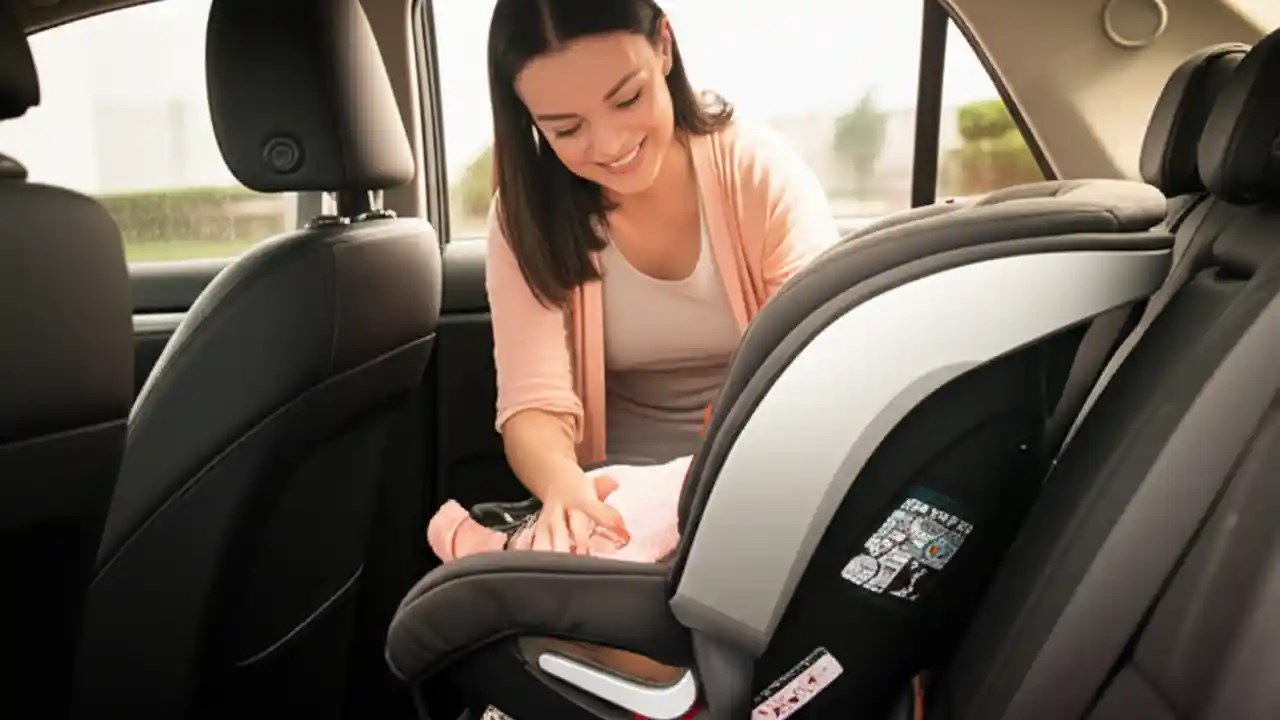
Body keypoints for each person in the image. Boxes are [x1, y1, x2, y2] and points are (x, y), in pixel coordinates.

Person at [484, 0, 840, 557]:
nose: (609, 144)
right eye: (566, 129)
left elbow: (818, 368)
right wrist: (566, 488)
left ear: (665, 48)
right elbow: (534, 406)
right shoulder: (525, 219)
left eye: (627, 98)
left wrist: (734, 481)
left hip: (765, 476)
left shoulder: (756, 171)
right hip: (620, 503)